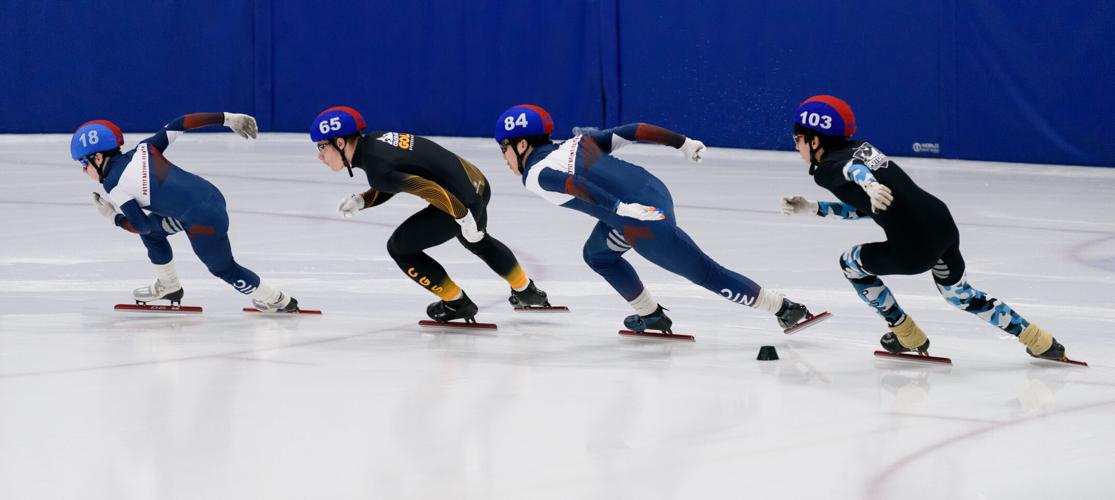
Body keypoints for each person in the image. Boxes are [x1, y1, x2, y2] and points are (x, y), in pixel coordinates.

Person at [780, 95, 1069, 360]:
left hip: (914, 248)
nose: (796, 145)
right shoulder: (862, 147)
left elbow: (852, 172)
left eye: (799, 138)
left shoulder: (828, 171)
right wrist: (813, 208)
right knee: (961, 295)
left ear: (816, 140)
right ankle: (1039, 340)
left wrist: (868, 184)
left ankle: (905, 332)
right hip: (942, 224)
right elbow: (866, 205)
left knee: (850, 263)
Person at [494, 104, 820, 333]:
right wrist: (682, 142)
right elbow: (632, 131)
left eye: (504, 148)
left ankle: (784, 309)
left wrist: (620, 209)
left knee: (706, 273)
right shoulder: (577, 143)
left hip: (641, 219)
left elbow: (575, 185)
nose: (504, 158)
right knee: (597, 255)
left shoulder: (535, 173)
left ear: (522, 144)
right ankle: (650, 316)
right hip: (652, 190)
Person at [310, 106, 550, 322]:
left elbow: (426, 188)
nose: (320, 156)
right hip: (476, 182)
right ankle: (525, 289)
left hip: (458, 200)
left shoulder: (376, 167)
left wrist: (463, 216)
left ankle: (456, 303)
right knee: (477, 241)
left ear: (340, 143)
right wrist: (363, 200)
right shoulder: (375, 142)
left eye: (322, 146)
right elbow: (397, 178)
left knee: (399, 247)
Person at [70, 113, 301, 312]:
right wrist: (227, 118)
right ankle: (168, 284)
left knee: (224, 269)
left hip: (202, 221)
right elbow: (180, 123)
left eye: (83, 164)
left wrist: (114, 218)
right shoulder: (145, 148)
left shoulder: (114, 184)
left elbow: (141, 226)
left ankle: (277, 299)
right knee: (155, 234)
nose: (83, 171)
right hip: (210, 196)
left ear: (98, 158)